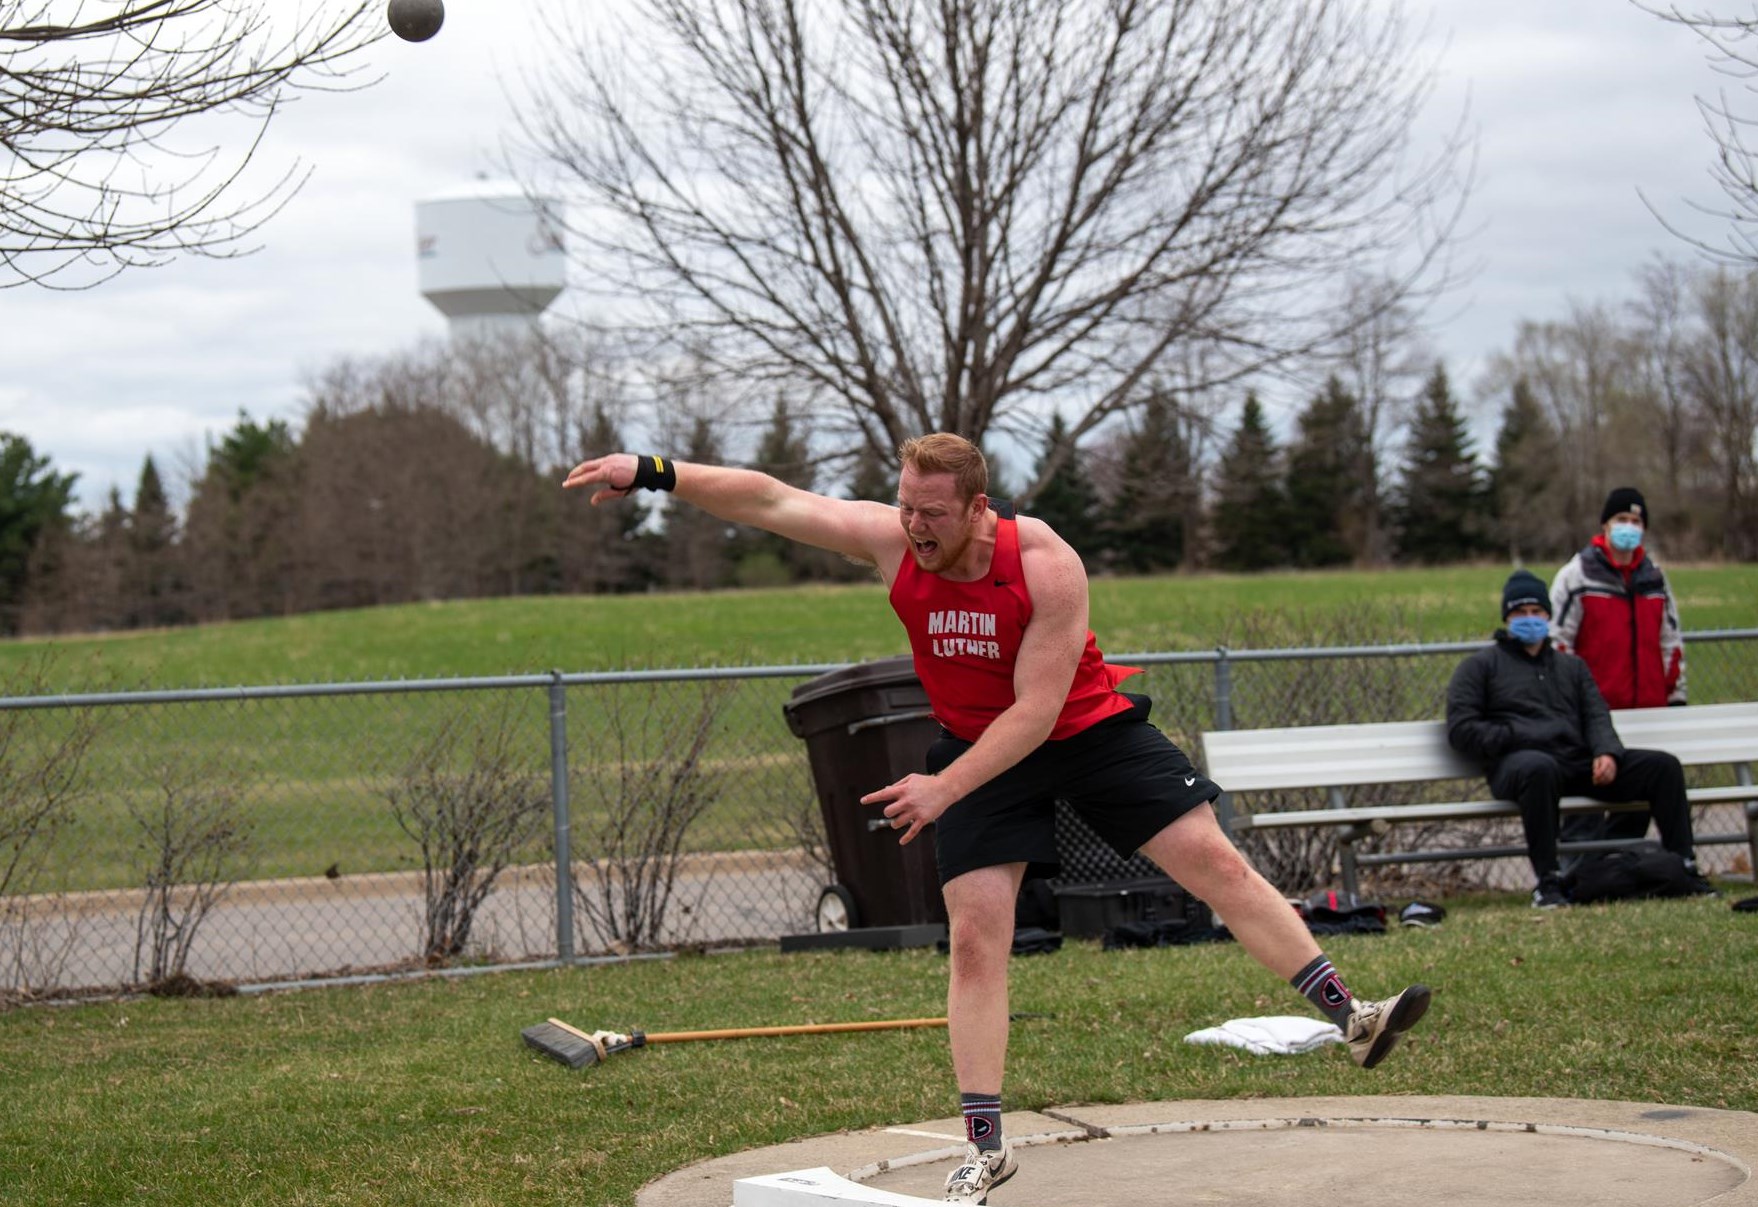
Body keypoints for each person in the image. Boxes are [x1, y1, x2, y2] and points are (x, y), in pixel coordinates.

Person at [565, 435, 1430, 1204]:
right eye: (905, 507)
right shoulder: (892, 542)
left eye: (932, 513)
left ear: (980, 507)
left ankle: (1351, 1014)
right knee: (978, 938)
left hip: (1083, 729)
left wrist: (943, 789)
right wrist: (656, 472)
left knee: (1216, 863)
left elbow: (1037, 707)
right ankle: (987, 1149)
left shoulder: (1045, 561)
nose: (914, 527)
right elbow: (773, 499)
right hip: (977, 745)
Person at [1445, 569, 1706, 909]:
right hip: (1519, 766)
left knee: (1662, 767)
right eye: (1520, 613)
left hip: (1575, 763)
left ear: (1548, 616)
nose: (1529, 619)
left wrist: (1607, 753)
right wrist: (1517, 736)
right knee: (1539, 767)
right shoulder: (1480, 668)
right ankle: (1548, 882)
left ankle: (1684, 867)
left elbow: (1597, 716)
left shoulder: (1572, 668)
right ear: (1506, 617)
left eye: (1536, 612)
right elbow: (1462, 730)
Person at [1550, 487, 1687, 852]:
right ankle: (1579, 865)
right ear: (1605, 525)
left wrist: (1675, 697)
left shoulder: (1655, 578)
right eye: (1621, 520)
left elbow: (1670, 641)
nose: (1629, 526)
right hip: (1592, 715)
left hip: (1647, 710)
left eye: (1636, 521)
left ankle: (1618, 863)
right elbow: (1557, 643)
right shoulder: (1576, 576)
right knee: (1587, 795)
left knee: (1639, 797)